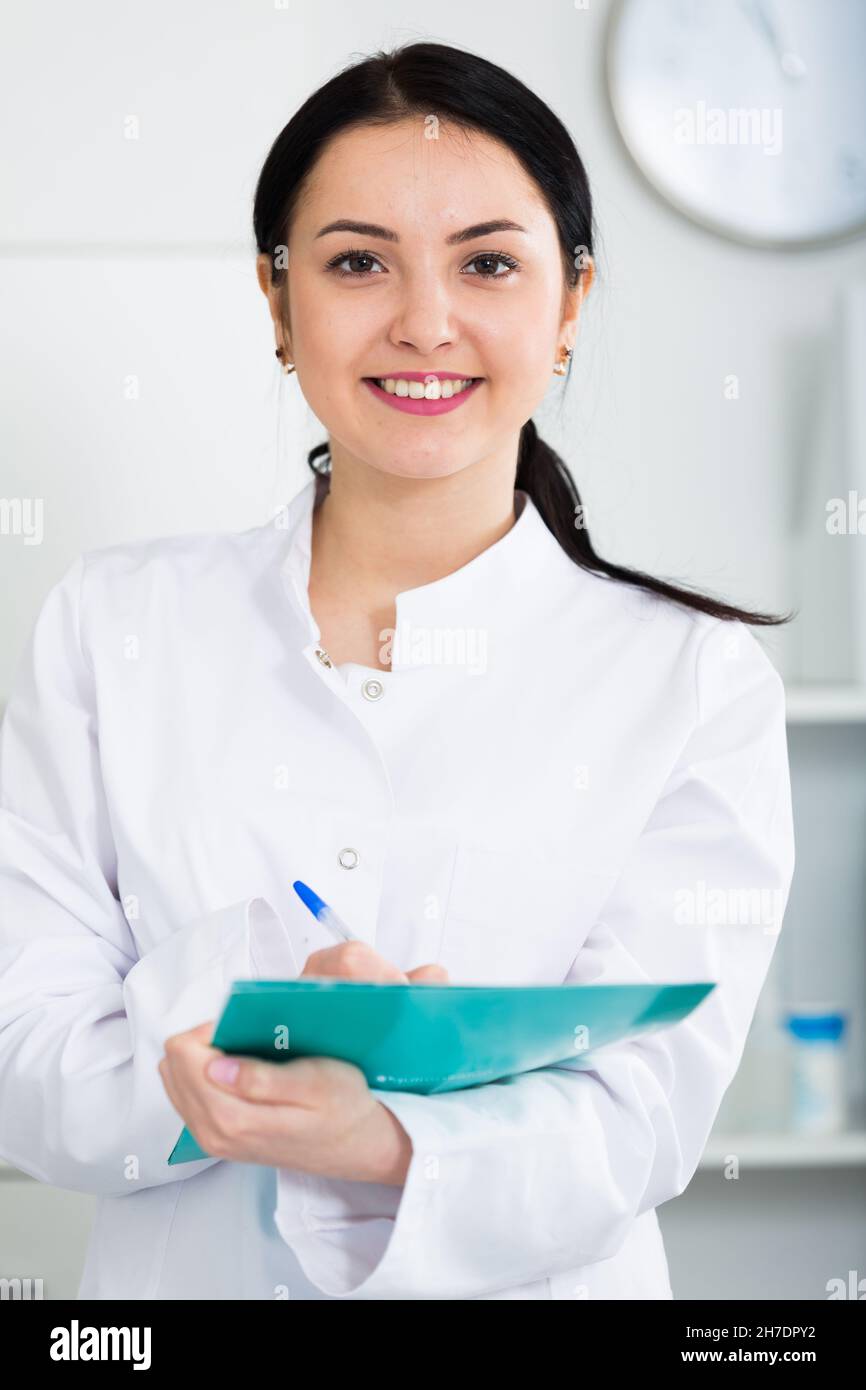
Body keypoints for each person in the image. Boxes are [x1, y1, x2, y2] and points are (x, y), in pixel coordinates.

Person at [0, 41, 795, 1300]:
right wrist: (250, 1017)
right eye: (357, 262)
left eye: (486, 262)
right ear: (276, 302)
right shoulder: (113, 624)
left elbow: (641, 1113)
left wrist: (375, 1140)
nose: (424, 322)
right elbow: (23, 1059)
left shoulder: (690, 678)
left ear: (570, 301)